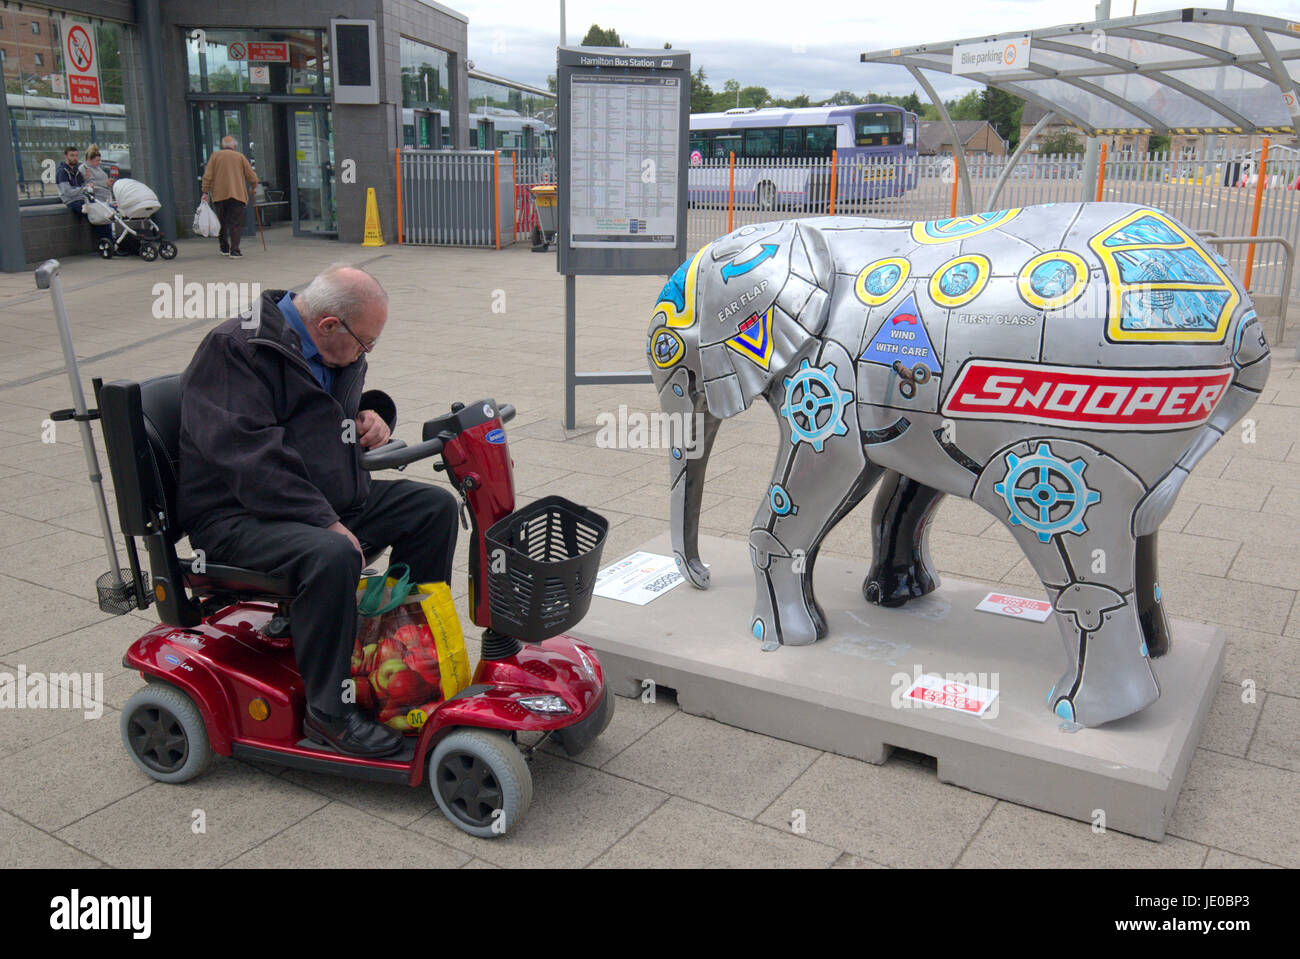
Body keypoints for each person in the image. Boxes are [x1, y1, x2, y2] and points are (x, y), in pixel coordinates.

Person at [177, 264, 460, 757]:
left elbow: (318, 414)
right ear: (329, 325)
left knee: (432, 507)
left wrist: (371, 418)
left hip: (318, 500)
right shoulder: (236, 350)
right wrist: (326, 521)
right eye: (364, 345)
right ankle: (330, 713)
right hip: (236, 517)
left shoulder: (325, 341)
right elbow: (251, 460)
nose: (366, 353)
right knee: (332, 553)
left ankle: (401, 655)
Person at [200, 135, 258, 257]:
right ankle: (235, 250)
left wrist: (205, 192)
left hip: (219, 195)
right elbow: (252, 176)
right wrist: (253, 187)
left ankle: (224, 248)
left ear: (222, 146)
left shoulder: (215, 156)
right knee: (235, 223)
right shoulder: (240, 157)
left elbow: (208, 175)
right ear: (235, 146)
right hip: (237, 195)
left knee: (221, 222)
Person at [55, 145, 111, 245]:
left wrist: (86, 181)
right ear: (66, 156)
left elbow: (82, 186)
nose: (74, 158)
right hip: (72, 200)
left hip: (82, 198)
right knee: (96, 214)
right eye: (72, 155)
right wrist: (84, 188)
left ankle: (110, 242)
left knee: (103, 213)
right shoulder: (62, 172)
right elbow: (67, 192)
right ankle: (106, 243)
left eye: (76, 155)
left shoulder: (76, 170)